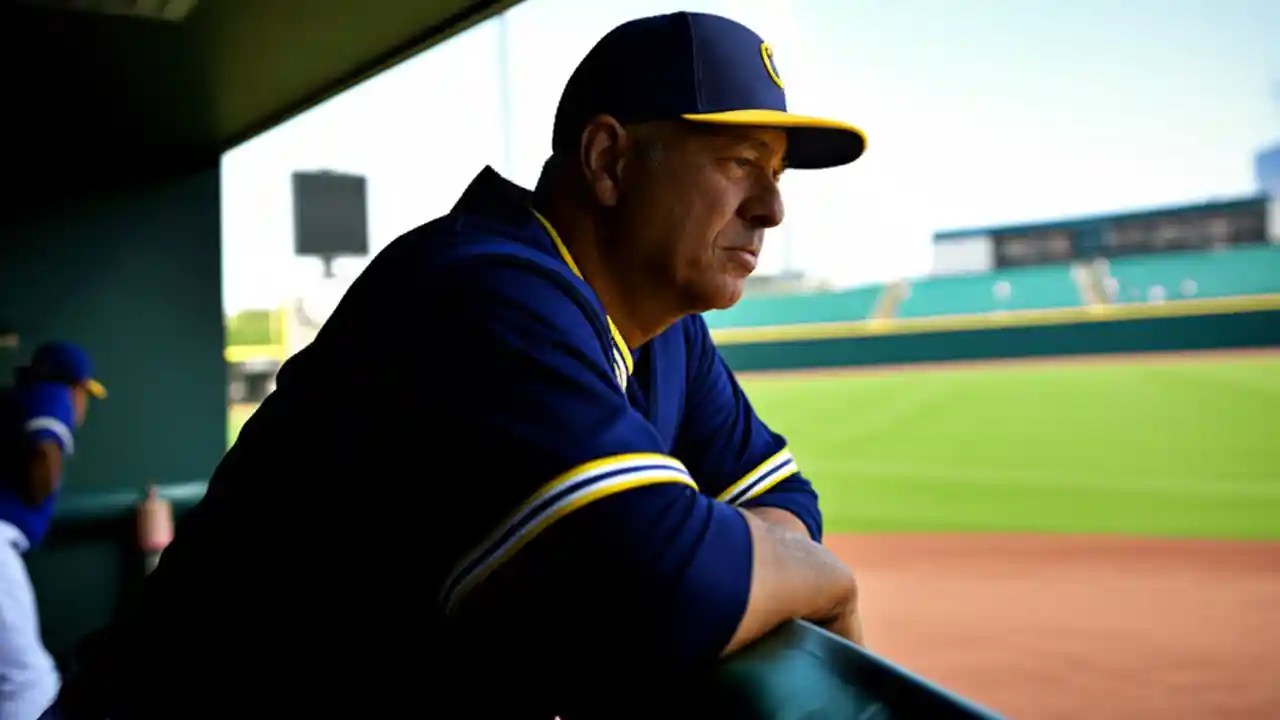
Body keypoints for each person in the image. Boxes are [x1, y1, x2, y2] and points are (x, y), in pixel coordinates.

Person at [55, 11, 869, 720]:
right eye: (738, 162)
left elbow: (779, 498)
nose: (771, 207)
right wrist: (820, 580)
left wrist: (745, 553)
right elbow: (659, 589)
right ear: (610, 161)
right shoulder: (480, 289)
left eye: (774, 174)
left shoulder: (664, 332)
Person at [0, 341, 105, 720]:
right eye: (85, 393)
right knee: (29, 681)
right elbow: (45, 449)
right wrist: (39, 488)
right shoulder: (51, 394)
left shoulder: (15, 399)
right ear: (76, 387)